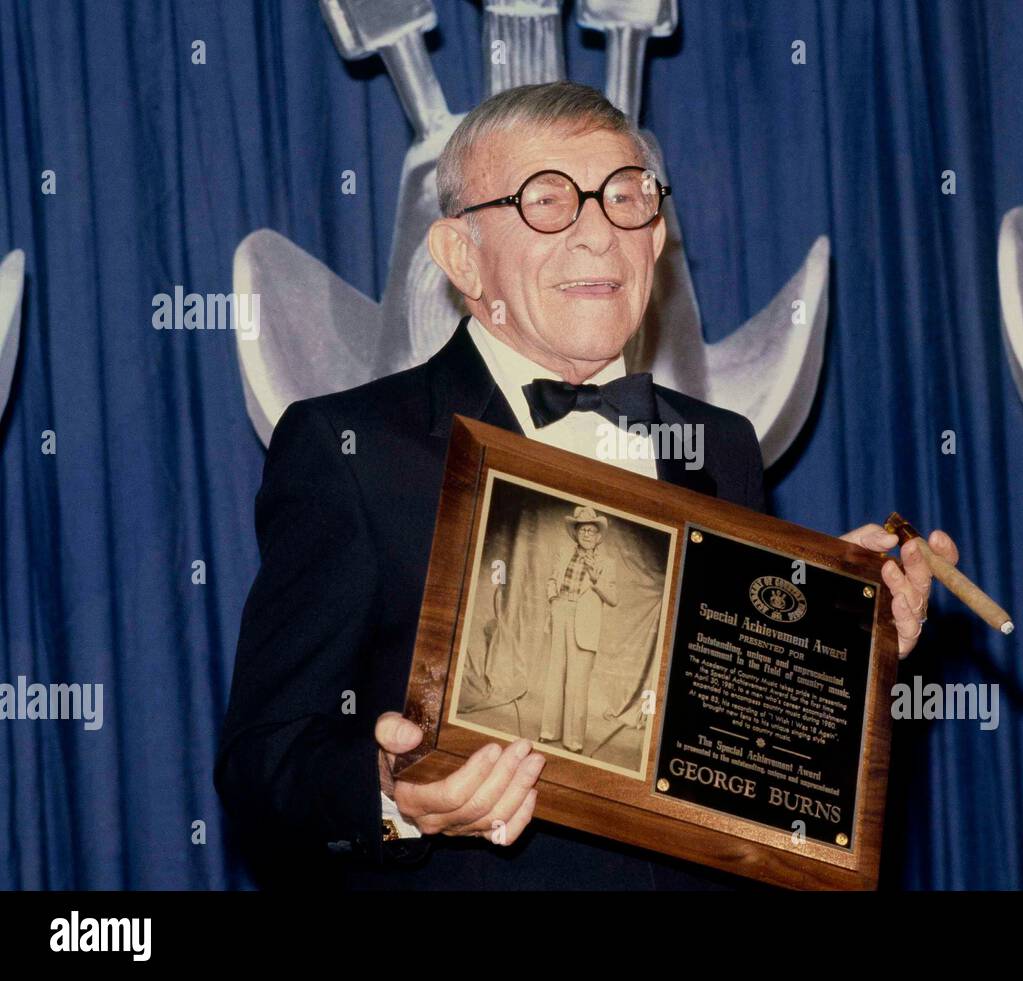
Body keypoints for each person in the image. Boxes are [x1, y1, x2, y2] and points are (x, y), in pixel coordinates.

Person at [215, 80, 959, 889]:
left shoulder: (720, 447)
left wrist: (843, 636)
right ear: (462, 256)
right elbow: (266, 760)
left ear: (658, 238)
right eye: (549, 202)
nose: (599, 236)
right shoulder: (351, 450)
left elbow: (733, 752)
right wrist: (393, 793)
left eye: (627, 200)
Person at [541, 507, 618, 754]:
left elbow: (614, 598)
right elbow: (552, 580)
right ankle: (548, 732)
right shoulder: (564, 553)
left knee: (577, 683)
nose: (586, 534)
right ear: (576, 533)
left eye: (591, 530)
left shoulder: (607, 563)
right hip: (561, 612)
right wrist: (553, 599)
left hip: (585, 622)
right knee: (555, 676)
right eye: (582, 529)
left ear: (598, 537)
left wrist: (596, 581)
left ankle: (573, 741)